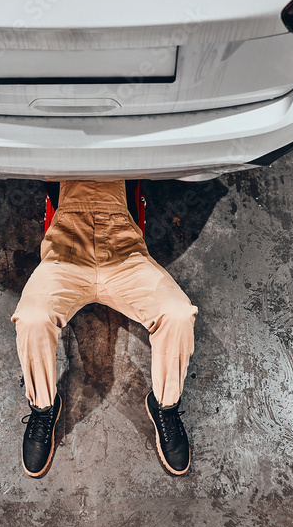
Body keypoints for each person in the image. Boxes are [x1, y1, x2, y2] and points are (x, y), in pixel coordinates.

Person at [12, 180, 198, 477]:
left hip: (123, 255)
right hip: (67, 253)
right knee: (32, 318)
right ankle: (43, 409)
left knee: (178, 314)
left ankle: (165, 406)